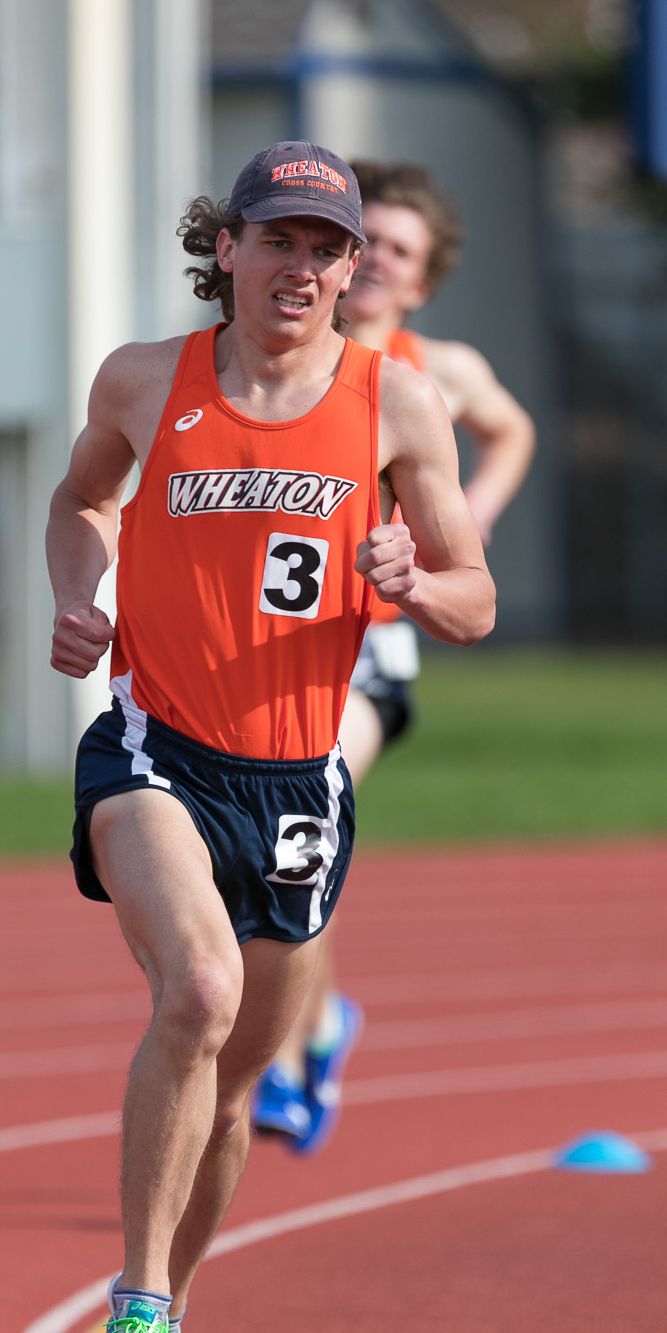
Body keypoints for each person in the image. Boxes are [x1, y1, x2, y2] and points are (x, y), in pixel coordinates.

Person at [47, 141, 495, 1333]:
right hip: (154, 748)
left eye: (326, 248)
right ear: (226, 248)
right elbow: (83, 497)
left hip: (302, 784)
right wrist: (80, 592)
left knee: (241, 1091)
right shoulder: (146, 378)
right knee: (194, 992)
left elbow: (478, 601)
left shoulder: (398, 406)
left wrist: (413, 580)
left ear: (353, 271)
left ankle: (175, 1303)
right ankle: (132, 1303)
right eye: (279, 241)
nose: (302, 268)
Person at [252, 161, 536, 1156]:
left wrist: (477, 512)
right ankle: (323, 1024)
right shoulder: (276, 358)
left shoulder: (431, 374)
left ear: (420, 283)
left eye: (399, 252)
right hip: (267, 652)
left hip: (367, 655)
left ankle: (283, 1066)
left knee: (303, 815)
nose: (373, 263)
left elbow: (512, 429)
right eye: (360, 240)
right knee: (276, 848)